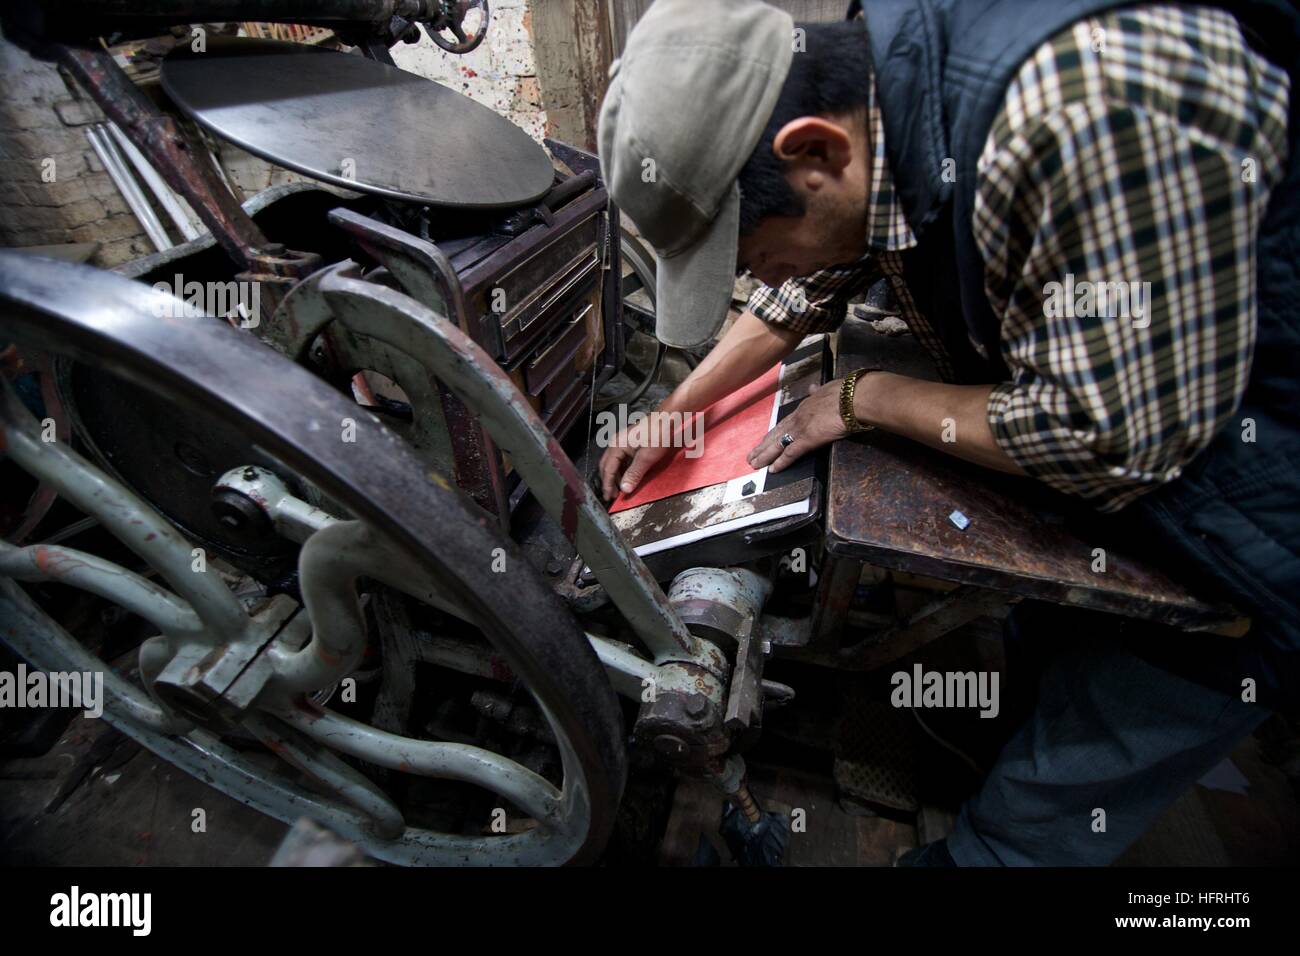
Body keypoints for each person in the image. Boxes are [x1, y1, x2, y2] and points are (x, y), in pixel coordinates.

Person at [596, 0, 1300, 865]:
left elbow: (1110, 437)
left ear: (813, 150)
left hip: (1246, 521)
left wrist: (866, 398)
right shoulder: (885, 97)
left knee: (1057, 791)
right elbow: (804, 289)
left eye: (751, 252)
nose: (756, 277)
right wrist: (680, 409)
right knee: (1043, 668)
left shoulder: (1081, 108)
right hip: (1116, 491)